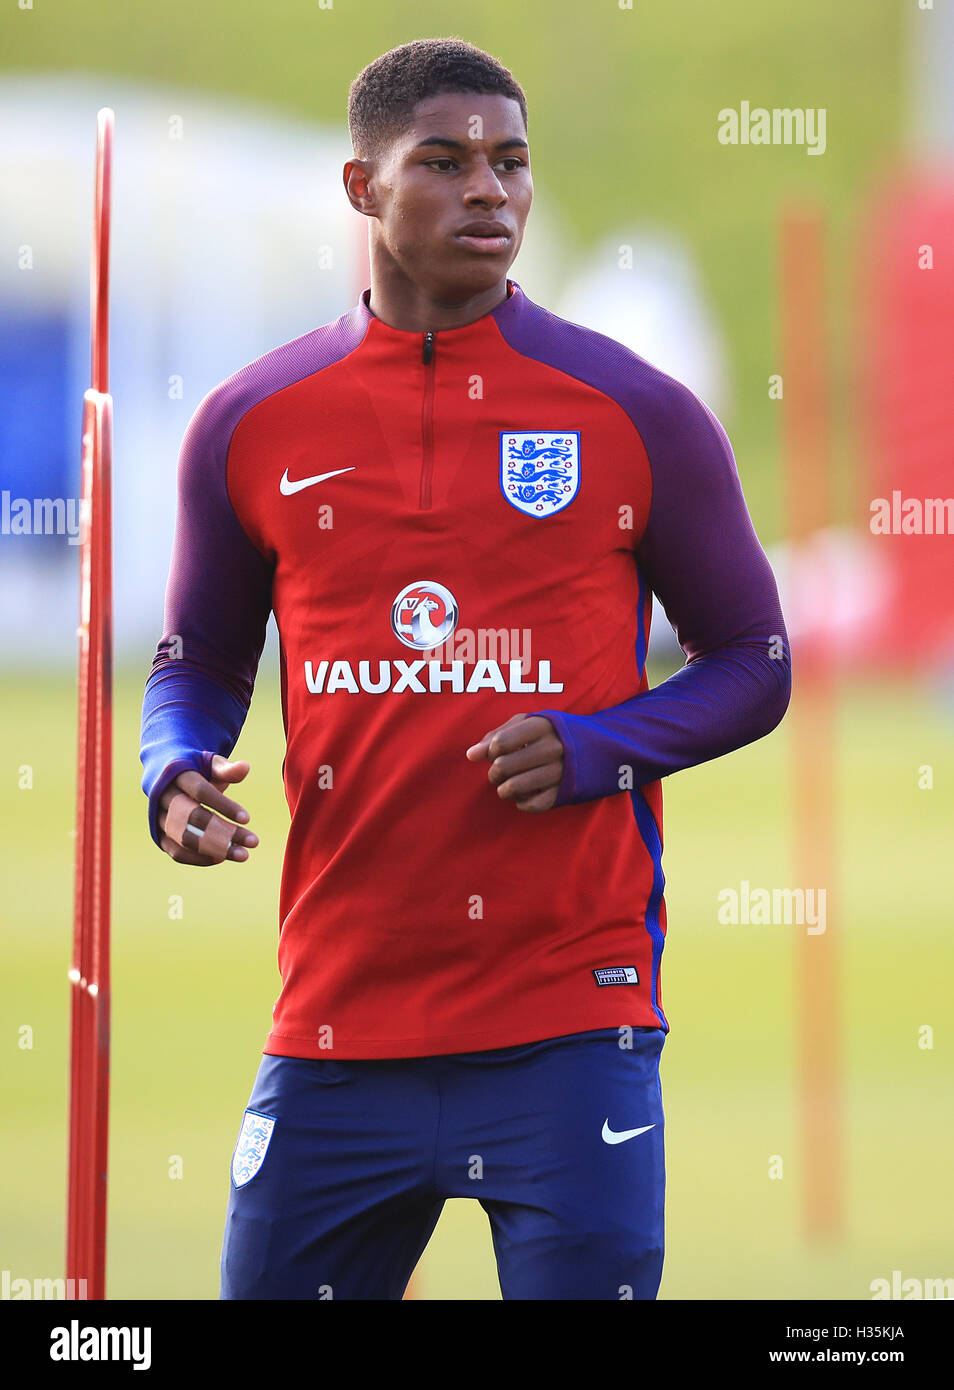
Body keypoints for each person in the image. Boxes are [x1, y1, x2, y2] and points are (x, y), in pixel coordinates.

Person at [139, 36, 791, 1301]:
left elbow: (753, 661)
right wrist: (171, 765)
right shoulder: (251, 422)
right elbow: (200, 657)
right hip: (337, 1019)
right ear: (360, 187)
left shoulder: (634, 411)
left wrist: (605, 744)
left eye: (511, 162)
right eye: (442, 161)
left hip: (568, 1022)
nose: (489, 189)